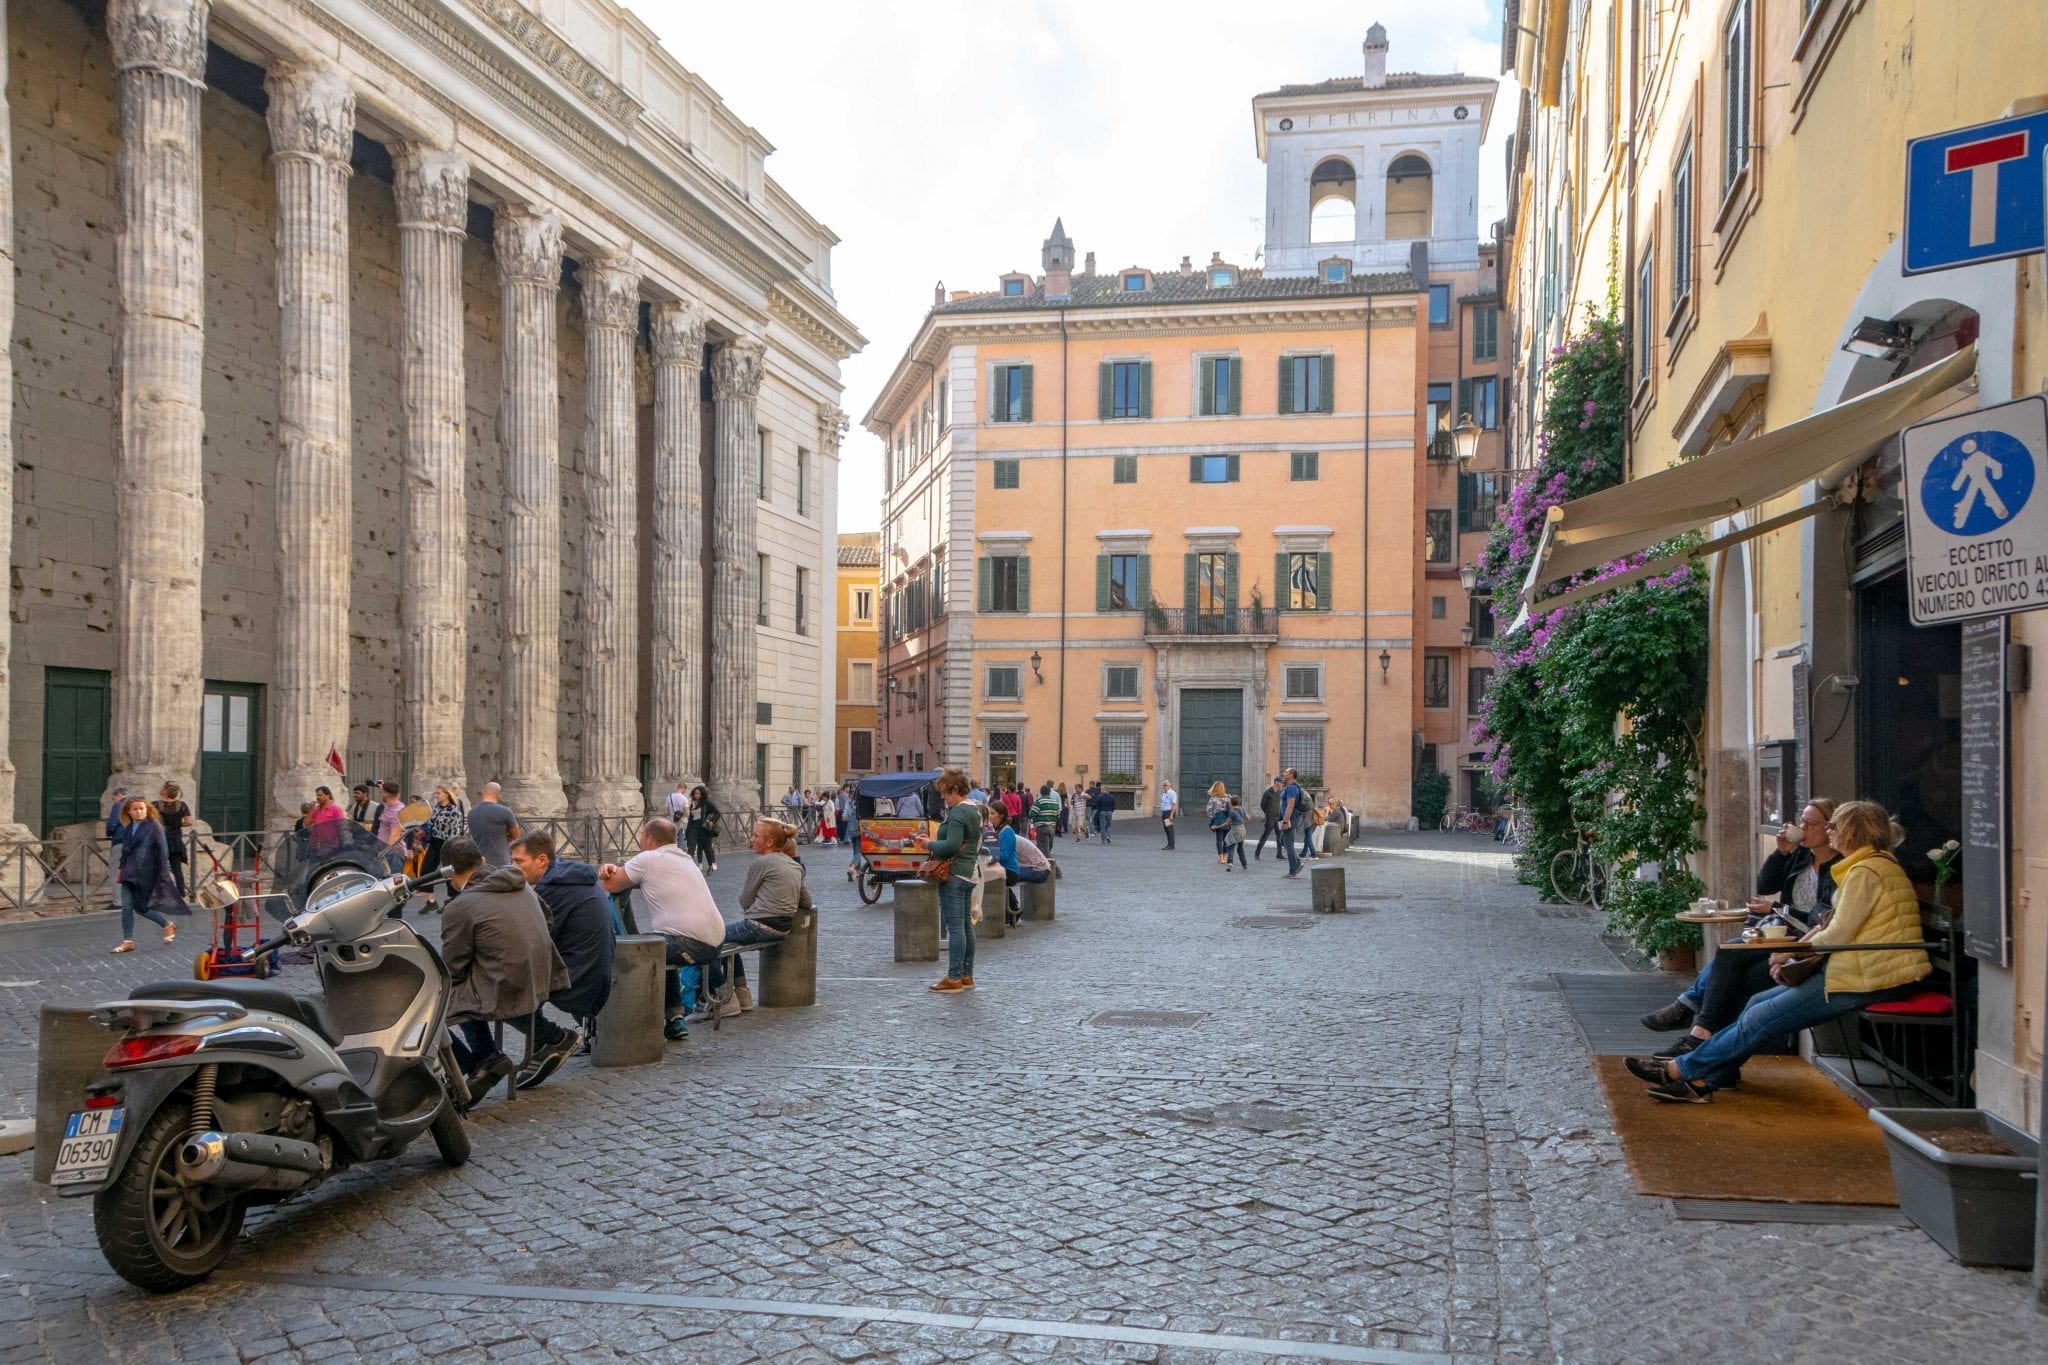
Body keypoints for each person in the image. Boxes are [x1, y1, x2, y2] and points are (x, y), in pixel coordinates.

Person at [1627, 801, 1932, 1103]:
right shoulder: (1872, 866)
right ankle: (1704, 1080)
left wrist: (1791, 953)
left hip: (1865, 978)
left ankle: (1679, 1070)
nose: (1829, 831)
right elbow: (1835, 924)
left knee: (1759, 1012)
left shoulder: (1866, 871)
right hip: (1861, 971)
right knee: (1756, 1003)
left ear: (1851, 832)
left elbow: (1838, 933)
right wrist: (1793, 952)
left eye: (1833, 825)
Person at [1641, 799, 1841, 1034]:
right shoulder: (1802, 856)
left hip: (1802, 943)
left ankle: (1696, 1024)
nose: (1803, 829)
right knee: (1730, 958)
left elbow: (1818, 919)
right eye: (1801, 823)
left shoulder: (1838, 867)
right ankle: (1700, 1032)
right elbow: (1764, 885)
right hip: (1778, 935)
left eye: (1810, 824)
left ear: (1829, 828)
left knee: (1731, 958)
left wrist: (1776, 908)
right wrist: (1781, 852)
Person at [439, 837, 572, 1098]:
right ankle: (547, 1037)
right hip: (543, 975)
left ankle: (481, 1060)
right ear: (483, 861)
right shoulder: (521, 884)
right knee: (480, 980)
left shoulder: (460, 906)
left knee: (437, 1002)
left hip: (508, 984)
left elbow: (452, 966)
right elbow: (548, 919)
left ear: (448, 872)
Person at [600, 818, 725, 1040]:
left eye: (641, 836)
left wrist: (606, 870)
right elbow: (641, 879)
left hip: (690, 944)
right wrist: (617, 870)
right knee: (661, 944)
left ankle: (635, 1022)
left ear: (649, 838)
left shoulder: (648, 858)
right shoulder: (684, 857)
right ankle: (675, 1019)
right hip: (716, 941)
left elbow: (611, 885)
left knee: (646, 950)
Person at [509, 831, 614, 1081]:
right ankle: (542, 1047)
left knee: (506, 994)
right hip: (593, 967)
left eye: (518, 861)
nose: (513, 867)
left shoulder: (550, 890)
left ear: (542, 860)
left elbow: (534, 940)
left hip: (579, 976)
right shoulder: (569, 877)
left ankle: (553, 1039)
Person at [699, 818, 809, 1017]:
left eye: (755, 836)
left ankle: (726, 998)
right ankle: (742, 994)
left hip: (760, 925)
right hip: (782, 928)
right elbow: (806, 902)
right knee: (728, 940)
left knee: (705, 940)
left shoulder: (762, 862)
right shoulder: (795, 866)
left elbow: (745, 901)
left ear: (769, 842)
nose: (751, 839)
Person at [925, 769, 983, 993]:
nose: (943, 798)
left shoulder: (959, 812)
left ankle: (954, 977)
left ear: (956, 790)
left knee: (956, 927)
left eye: (945, 793)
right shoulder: (976, 809)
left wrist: (928, 844)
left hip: (956, 873)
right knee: (966, 926)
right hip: (970, 871)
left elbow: (950, 846)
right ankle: (967, 975)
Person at [110, 797, 185, 953]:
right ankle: (128, 941)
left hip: (147, 872)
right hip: (128, 872)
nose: (138, 812)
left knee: (141, 907)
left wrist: (159, 872)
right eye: (135, 809)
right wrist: (120, 869)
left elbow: (163, 851)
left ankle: (167, 925)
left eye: (141, 809)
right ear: (129, 812)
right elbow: (125, 851)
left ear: (147, 809)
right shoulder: (128, 828)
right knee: (126, 907)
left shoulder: (155, 827)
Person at [986, 804, 1049, 922]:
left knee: (990, 877)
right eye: (989, 813)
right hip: (1004, 868)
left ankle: (1007, 912)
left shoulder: (1007, 832)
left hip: (1011, 870)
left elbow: (1004, 856)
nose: (990, 816)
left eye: (993, 813)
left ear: (1001, 815)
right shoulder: (995, 831)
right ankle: (1012, 910)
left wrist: (989, 856)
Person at [422, 785, 468, 912]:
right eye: (435, 793)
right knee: (426, 870)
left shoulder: (454, 810)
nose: (436, 796)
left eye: (438, 793)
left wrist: (451, 847)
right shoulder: (436, 808)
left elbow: (456, 830)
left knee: (448, 873)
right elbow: (431, 824)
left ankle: (453, 899)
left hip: (448, 844)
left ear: (446, 794)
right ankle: (431, 901)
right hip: (435, 843)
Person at [467, 782, 520, 867]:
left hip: (479, 861)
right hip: (500, 861)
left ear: (482, 792)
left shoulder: (471, 813)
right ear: (499, 795)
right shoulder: (505, 811)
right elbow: (517, 836)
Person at [155, 782, 192, 898]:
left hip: (161, 840)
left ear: (165, 791)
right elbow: (189, 822)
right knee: (177, 869)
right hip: (176, 840)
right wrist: (178, 825)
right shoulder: (182, 805)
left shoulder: (155, 805)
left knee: (159, 867)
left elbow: (152, 822)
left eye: (162, 787)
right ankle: (180, 892)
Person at [684, 785, 721, 871]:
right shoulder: (692, 804)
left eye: (698, 793)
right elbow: (690, 818)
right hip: (693, 827)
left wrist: (712, 821)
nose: (696, 795)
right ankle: (689, 865)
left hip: (703, 828)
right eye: (695, 793)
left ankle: (711, 863)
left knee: (707, 847)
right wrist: (688, 831)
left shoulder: (707, 804)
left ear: (702, 794)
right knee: (691, 846)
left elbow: (717, 813)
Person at [374, 781, 407, 873]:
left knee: (392, 884)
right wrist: (383, 788)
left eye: (382, 792)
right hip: (385, 851)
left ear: (386, 794)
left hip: (393, 854)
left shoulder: (396, 812)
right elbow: (387, 799)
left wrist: (383, 854)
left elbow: (394, 836)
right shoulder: (391, 805)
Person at [1277, 769, 1305, 876]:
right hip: (1290, 818)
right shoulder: (1292, 786)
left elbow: (1290, 805)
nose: (1283, 773)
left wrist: (1285, 821)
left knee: (1288, 844)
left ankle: (1293, 870)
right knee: (1283, 840)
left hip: (1290, 819)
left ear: (1291, 775)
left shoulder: (1291, 787)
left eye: (1286, 772)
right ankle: (1297, 862)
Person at [1204, 782, 1233, 869]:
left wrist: (1212, 819)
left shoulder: (1213, 799)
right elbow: (1233, 809)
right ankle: (1225, 857)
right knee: (1226, 839)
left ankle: (1220, 858)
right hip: (1227, 820)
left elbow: (1209, 810)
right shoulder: (1228, 797)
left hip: (1218, 821)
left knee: (1219, 840)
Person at [1254, 776, 1283, 861]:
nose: (1282, 784)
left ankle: (1279, 854)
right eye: (1281, 782)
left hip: (1278, 817)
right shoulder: (1268, 792)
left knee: (1279, 836)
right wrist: (1268, 813)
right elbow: (1262, 805)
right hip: (1270, 818)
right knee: (1265, 836)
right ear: (1276, 782)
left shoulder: (1280, 792)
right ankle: (1257, 853)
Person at [1029, 782, 1062, 854]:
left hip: (1042, 827)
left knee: (1042, 849)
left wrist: (1036, 820)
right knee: (1048, 847)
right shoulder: (1055, 802)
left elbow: (1031, 814)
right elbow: (1058, 815)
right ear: (1050, 792)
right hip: (1052, 827)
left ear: (1041, 792)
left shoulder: (1039, 802)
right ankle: (1049, 856)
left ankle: (1047, 862)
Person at [1225, 795, 1249, 869]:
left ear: (1231, 803)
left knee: (1230, 845)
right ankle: (1244, 864)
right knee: (1240, 847)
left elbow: (1227, 823)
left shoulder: (1232, 812)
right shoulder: (1242, 809)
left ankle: (1230, 862)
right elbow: (1248, 817)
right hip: (1243, 829)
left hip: (1235, 829)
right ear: (1239, 802)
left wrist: (1216, 826)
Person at [1158, 779, 1179, 850]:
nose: (1164, 786)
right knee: (1166, 829)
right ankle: (1169, 844)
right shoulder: (1164, 793)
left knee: (1170, 829)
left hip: (1169, 813)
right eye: (1164, 785)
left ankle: (1171, 845)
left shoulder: (1172, 793)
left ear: (1170, 785)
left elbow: (1174, 805)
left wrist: (1171, 815)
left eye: (1166, 785)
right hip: (1164, 813)